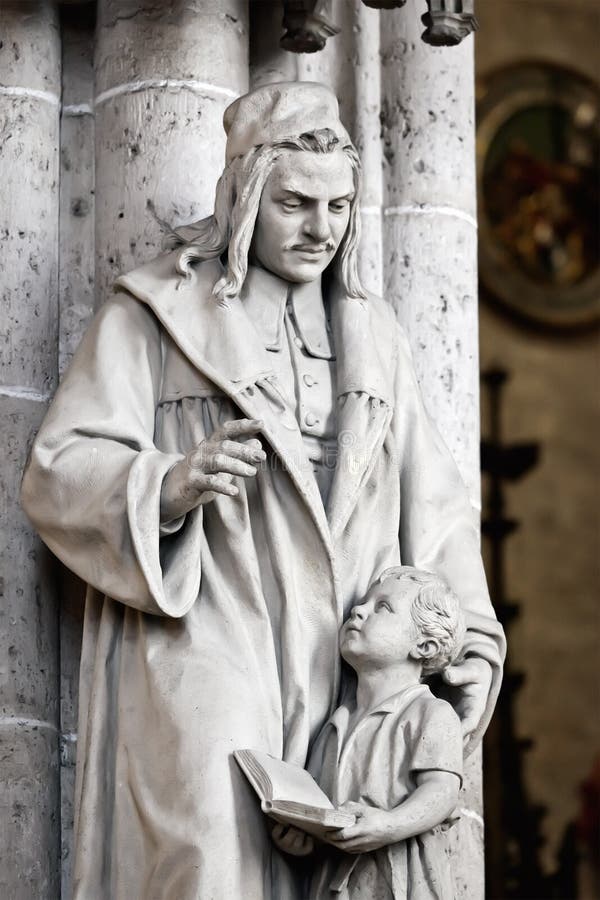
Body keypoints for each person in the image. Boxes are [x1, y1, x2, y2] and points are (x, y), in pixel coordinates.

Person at [21, 82, 505, 900]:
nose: (322, 229)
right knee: (212, 850)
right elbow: (59, 468)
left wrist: (472, 641)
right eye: (295, 204)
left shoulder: (375, 337)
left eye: (339, 206)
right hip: (211, 622)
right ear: (244, 197)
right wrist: (169, 484)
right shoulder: (157, 313)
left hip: (353, 652)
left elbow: (439, 508)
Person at [274, 565, 466, 899]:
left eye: (383, 607)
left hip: (399, 879)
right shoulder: (337, 723)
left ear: (424, 646)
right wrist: (306, 838)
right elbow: (326, 810)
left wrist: (388, 825)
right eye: (363, 602)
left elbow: (442, 791)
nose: (358, 610)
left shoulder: (430, 713)